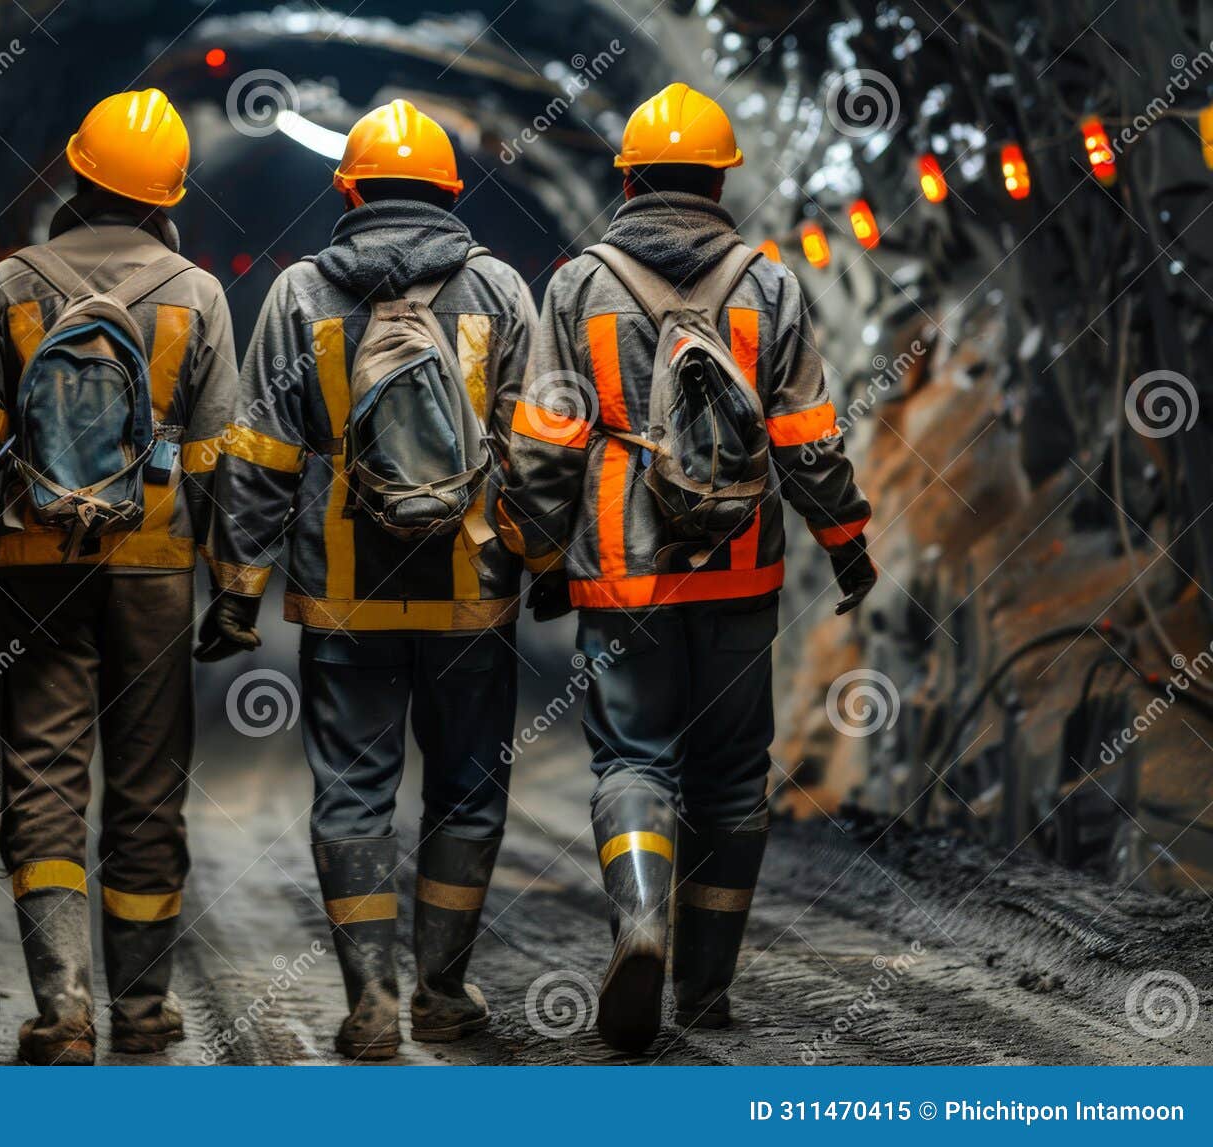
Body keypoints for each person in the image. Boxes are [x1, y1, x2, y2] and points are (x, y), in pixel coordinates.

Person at [499, 83, 876, 1053]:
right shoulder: (771, 284)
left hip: (622, 575)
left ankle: (639, 922)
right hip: (741, 570)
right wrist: (846, 541)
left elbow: (545, 445)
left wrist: (539, 553)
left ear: (625, 175)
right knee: (730, 779)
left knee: (632, 759)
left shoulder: (580, 284)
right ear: (719, 179)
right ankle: (706, 990)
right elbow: (807, 441)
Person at [199, 99, 536, 1060]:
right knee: (468, 790)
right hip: (472, 588)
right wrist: (546, 562)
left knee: (352, 793)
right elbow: (539, 447)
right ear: (450, 191)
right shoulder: (502, 292)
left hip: (344, 597)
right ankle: (444, 990)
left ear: (346, 190)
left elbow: (258, 454)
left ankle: (371, 1002)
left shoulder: (302, 294)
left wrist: (236, 587)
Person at [0, 88, 237, 1065]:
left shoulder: (9, 283)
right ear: (168, 196)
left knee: (41, 779)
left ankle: (61, 1009)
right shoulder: (198, 293)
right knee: (146, 786)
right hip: (152, 563)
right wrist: (232, 583)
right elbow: (221, 457)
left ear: (76, 175)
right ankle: (141, 1011)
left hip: (30, 556)